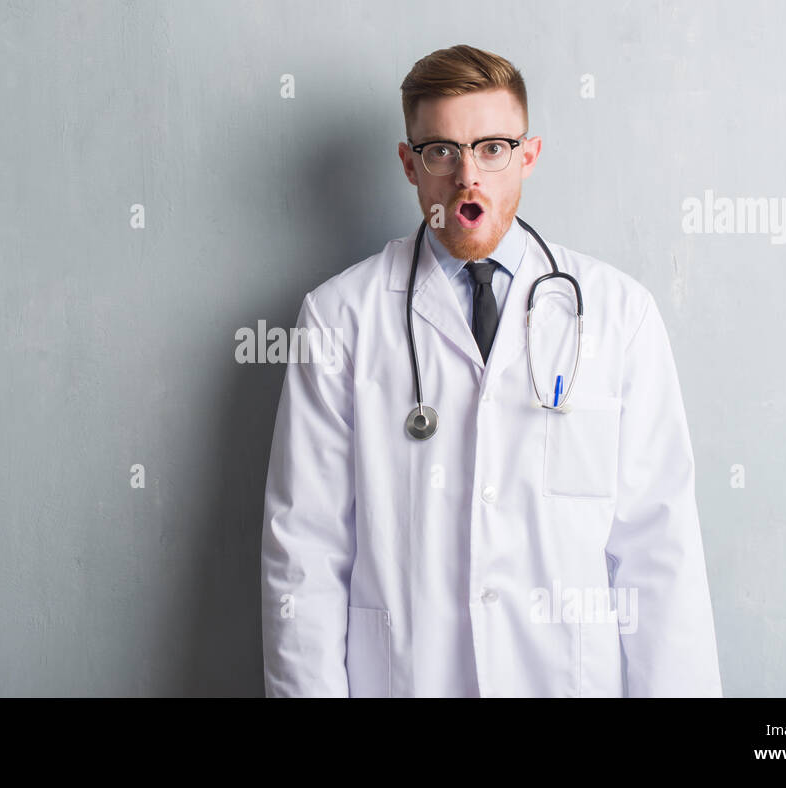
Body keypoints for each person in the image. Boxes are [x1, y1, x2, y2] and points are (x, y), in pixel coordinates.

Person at [260, 44, 723, 697]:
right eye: (442, 151)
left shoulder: (620, 316)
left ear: (527, 157)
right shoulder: (340, 319)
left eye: (492, 148)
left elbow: (660, 554)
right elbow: (302, 557)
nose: (467, 176)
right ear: (409, 165)